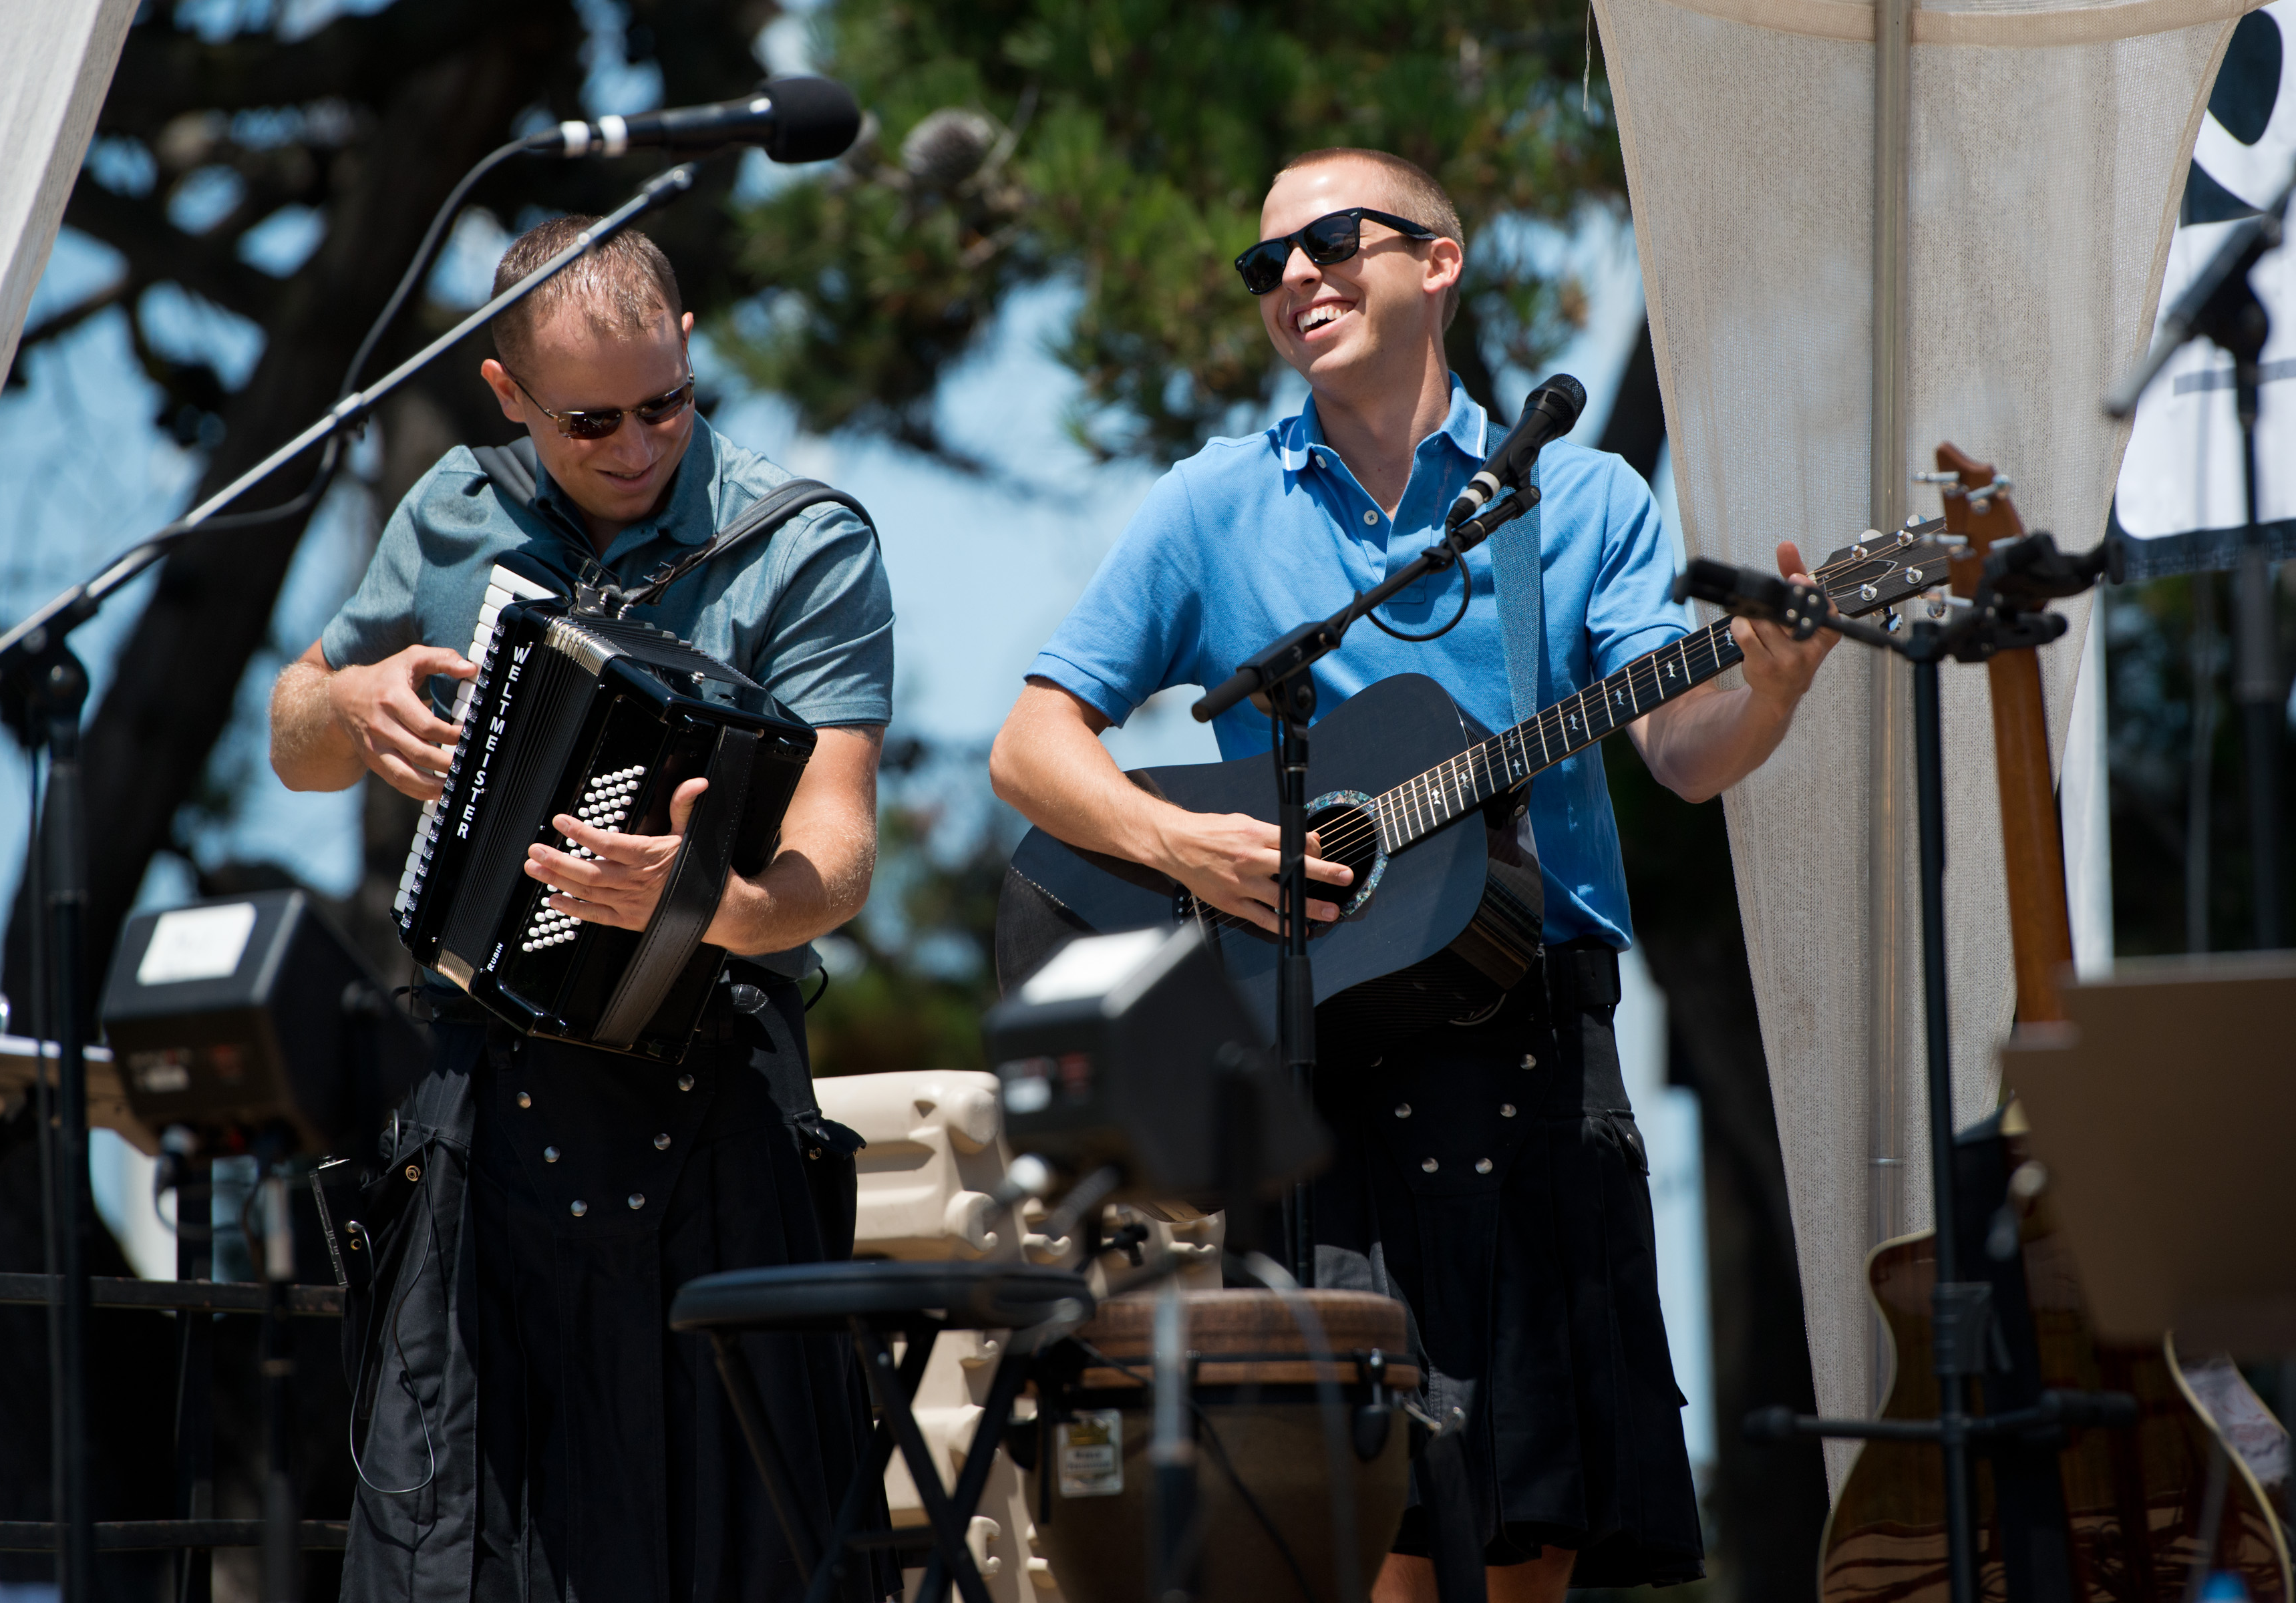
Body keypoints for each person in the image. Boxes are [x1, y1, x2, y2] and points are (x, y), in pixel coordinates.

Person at [989, 148, 1834, 1600]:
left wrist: (1770, 687)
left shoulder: (1579, 498)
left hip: (1537, 1040)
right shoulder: (1215, 505)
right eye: (1268, 266)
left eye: (1331, 244)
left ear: (1438, 262)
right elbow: (1030, 745)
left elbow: (1684, 754)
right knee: (1360, 1527)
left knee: (1531, 1531)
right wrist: (1183, 842)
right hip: (1321, 1072)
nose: (1296, 280)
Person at [269, 218, 892, 1602]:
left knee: (738, 1557)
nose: (634, 443)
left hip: (708, 1105)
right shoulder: (453, 506)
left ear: (690, 349)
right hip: (485, 1104)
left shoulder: (803, 543)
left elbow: (842, 855)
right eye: (588, 419)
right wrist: (346, 702)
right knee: (458, 1555)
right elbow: (291, 736)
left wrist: (708, 906)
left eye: (664, 402)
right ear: (508, 398)